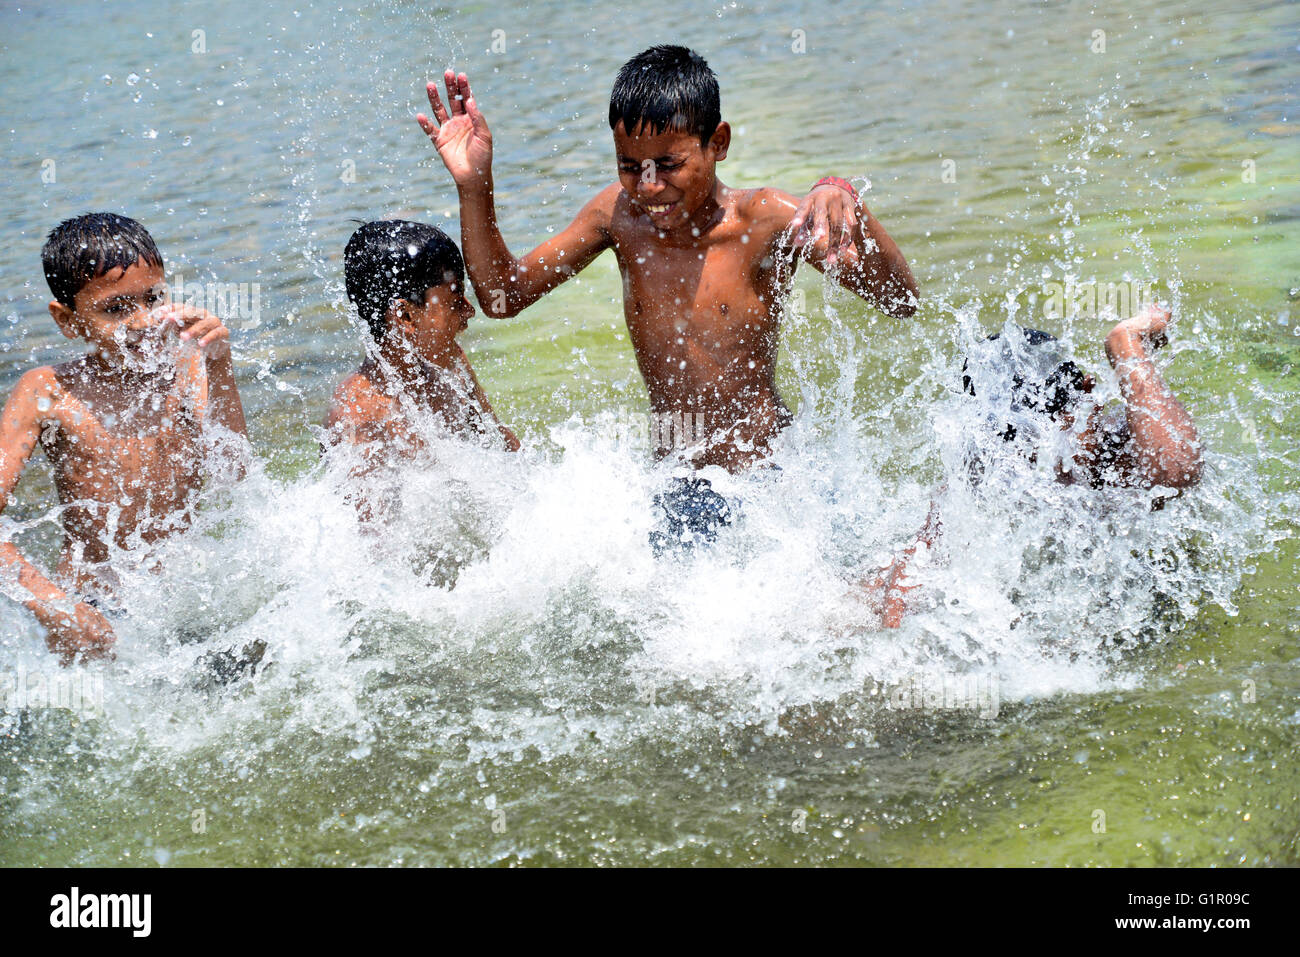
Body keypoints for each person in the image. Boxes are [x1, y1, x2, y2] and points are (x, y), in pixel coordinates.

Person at [415, 45, 918, 548]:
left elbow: (901, 300)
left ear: (717, 142)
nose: (649, 186)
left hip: (773, 482)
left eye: (668, 164)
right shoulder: (618, 218)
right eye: (629, 166)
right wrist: (474, 185)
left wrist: (844, 198)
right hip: (675, 489)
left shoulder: (763, 220)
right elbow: (503, 298)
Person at [0, 212, 248, 663]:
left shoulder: (190, 368)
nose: (141, 321)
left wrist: (219, 363)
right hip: (93, 609)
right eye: (115, 309)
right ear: (68, 322)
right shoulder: (46, 391)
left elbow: (234, 472)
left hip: (189, 598)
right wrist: (52, 604)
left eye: (152, 299)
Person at [864, 303, 1203, 627]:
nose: (1055, 465)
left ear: (1090, 396)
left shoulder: (1119, 440)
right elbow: (915, 568)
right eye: (1018, 444)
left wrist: (1125, 345)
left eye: (1058, 434)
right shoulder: (990, 471)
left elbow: (1177, 472)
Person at [325, 220, 519, 522]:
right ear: (405, 316)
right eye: (456, 301)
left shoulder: (451, 364)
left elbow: (505, 449)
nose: (470, 311)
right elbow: (371, 546)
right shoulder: (358, 416)